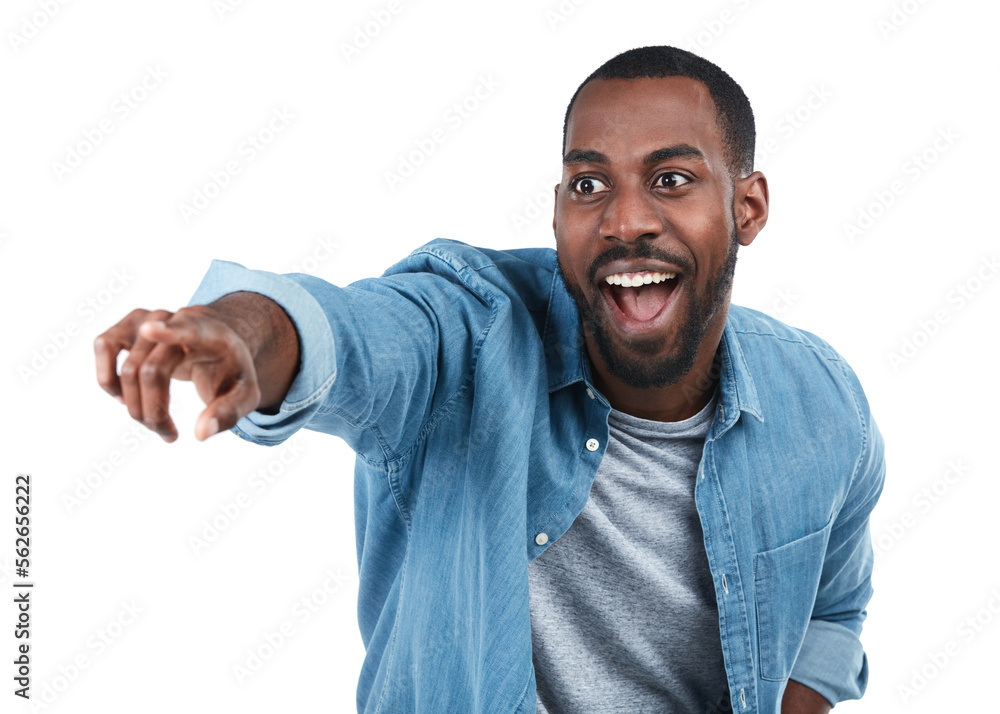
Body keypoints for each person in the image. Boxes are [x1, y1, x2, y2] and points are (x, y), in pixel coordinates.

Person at [94, 46, 885, 714]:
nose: (624, 220)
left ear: (747, 207)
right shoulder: (470, 335)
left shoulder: (823, 405)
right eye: (588, 183)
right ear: (555, 213)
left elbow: (830, 616)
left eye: (671, 179)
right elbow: (358, 334)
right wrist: (241, 332)